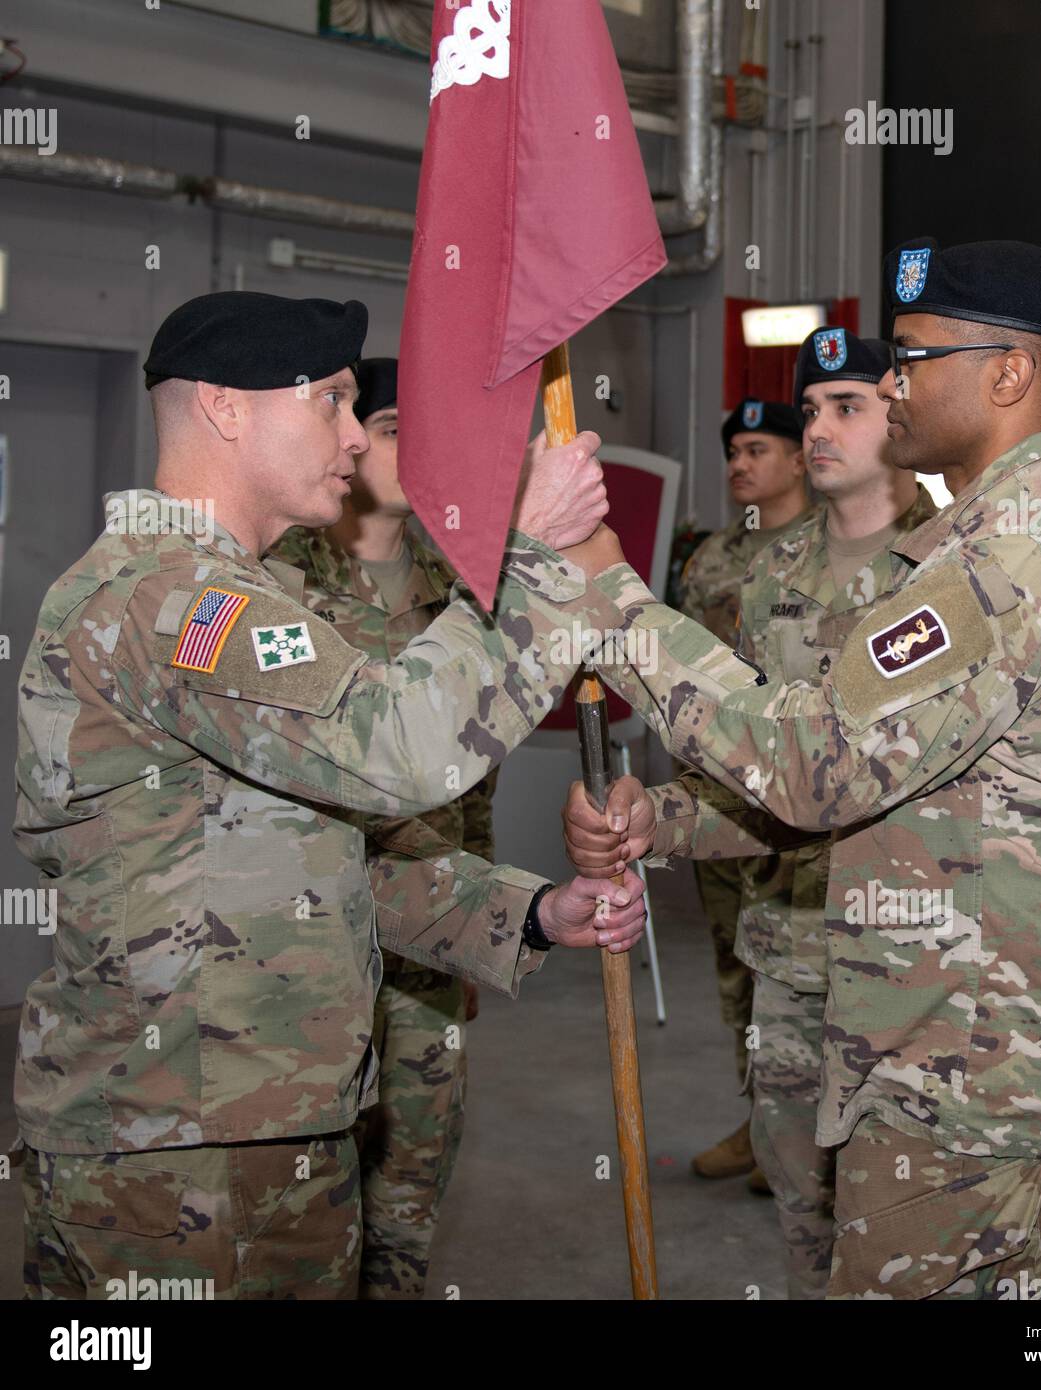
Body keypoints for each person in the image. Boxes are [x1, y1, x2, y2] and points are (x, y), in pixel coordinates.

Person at [559, 240, 1041, 1299]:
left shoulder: (1015, 556)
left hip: (987, 1091)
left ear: (1005, 376)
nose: (896, 383)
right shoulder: (1030, 534)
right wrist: (665, 821)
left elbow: (816, 766)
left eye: (916, 358)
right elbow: (915, 796)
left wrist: (610, 603)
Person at [15, 291, 647, 1300]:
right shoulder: (171, 600)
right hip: (176, 1152)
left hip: (260, 1124)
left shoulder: (238, 594)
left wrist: (525, 911)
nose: (356, 438)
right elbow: (398, 748)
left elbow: (326, 852)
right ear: (228, 409)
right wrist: (531, 560)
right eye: (333, 403)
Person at [635, 328, 935, 1295]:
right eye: (809, 409)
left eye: (844, 405)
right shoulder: (769, 574)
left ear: (900, 411)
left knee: (907, 1232)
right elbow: (755, 769)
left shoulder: (953, 562)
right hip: (791, 947)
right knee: (803, 1212)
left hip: (922, 965)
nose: (817, 428)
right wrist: (659, 817)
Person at [271, 357, 495, 1299]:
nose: (414, 450)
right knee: (299, 1201)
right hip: (306, 941)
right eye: (394, 427)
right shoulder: (278, 582)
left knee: (410, 1184)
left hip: (432, 940)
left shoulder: (467, 589)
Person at [676, 397, 810, 1186]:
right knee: (738, 966)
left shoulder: (837, 552)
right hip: (720, 800)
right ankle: (762, 1119)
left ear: (798, 460)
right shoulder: (709, 560)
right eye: (732, 451)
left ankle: (810, 1132)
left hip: (801, 807)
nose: (739, 464)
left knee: (806, 969)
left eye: (758, 449)